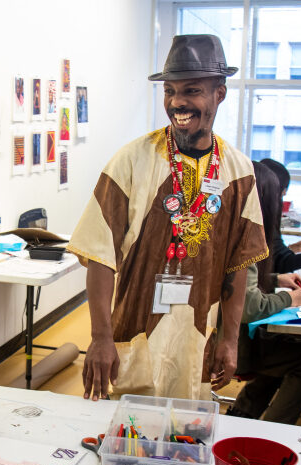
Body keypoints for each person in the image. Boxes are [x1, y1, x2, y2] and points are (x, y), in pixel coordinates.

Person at [67, 34, 268, 401]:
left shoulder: (239, 171)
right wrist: (100, 337)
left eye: (191, 90)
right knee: (129, 435)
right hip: (136, 330)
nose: (177, 102)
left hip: (198, 338)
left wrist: (230, 340)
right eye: (169, 91)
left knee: (187, 435)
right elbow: (99, 255)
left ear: (219, 94)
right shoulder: (132, 159)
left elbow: (239, 265)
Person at [227, 162, 301, 425]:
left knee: (282, 355)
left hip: (216, 333)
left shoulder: (224, 225)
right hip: (227, 344)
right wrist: (288, 299)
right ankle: (273, 432)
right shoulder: (246, 235)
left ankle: (242, 417)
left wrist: (274, 278)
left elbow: (228, 284)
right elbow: (249, 306)